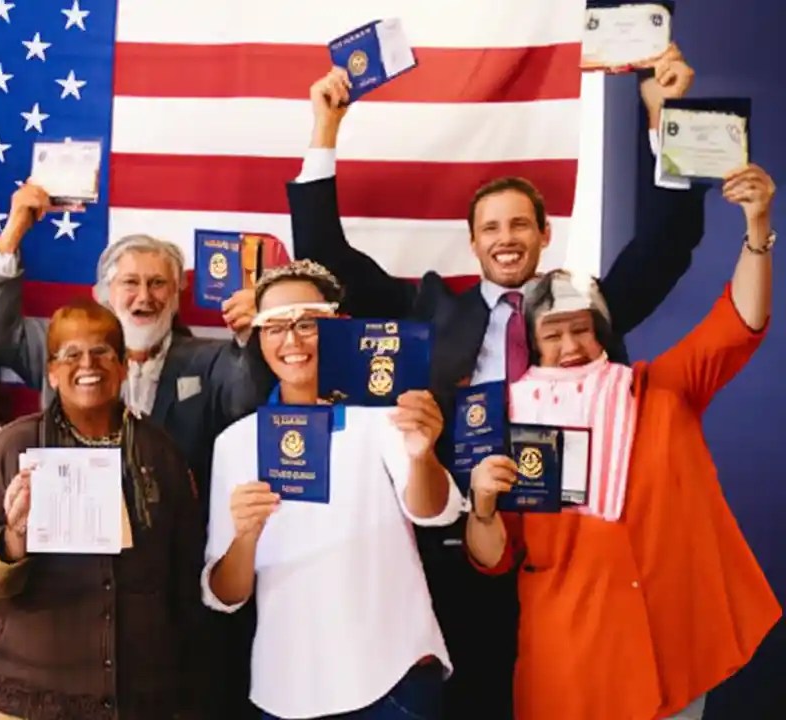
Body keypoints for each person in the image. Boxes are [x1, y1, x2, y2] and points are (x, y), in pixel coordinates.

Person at [287, 45, 710, 717]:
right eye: (491, 228)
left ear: (545, 235)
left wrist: (666, 113)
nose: (506, 237)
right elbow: (324, 257)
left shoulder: (582, 311)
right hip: (458, 549)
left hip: (570, 552)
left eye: (520, 224)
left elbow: (669, 241)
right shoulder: (430, 308)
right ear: (474, 243)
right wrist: (325, 131)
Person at [465, 165, 780, 720]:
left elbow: (739, 323)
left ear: (602, 331)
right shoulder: (508, 420)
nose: (569, 346)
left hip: (672, 642)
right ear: (534, 346)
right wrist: (484, 503)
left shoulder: (659, 390)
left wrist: (757, 230)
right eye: (553, 335)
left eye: (581, 329)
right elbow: (495, 556)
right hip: (570, 653)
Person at [0, 186, 265, 717]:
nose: (142, 296)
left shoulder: (212, 360)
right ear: (104, 292)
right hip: (48, 629)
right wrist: (13, 233)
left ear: (176, 295)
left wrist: (251, 336)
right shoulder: (57, 345)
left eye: (157, 284)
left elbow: (248, 395)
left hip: (149, 620)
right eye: (130, 283)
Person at [204, 260, 464, 719]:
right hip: (287, 686)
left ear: (339, 326)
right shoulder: (236, 442)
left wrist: (423, 455)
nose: (291, 341)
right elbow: (226, 595)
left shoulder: (386, 416)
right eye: (275, 328)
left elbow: (433, 511)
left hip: (391, 675)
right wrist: (245, 536)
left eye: (308, 323)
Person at [0, 299, 205, 720]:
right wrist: (16, 537)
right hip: (31, 696)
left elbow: (182, 577)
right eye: (70, 354)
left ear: (124, 366)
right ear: (52, 372)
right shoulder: (15, 449)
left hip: (138, 695)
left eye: (103, 352)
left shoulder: (159, 451)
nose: (87, 364)